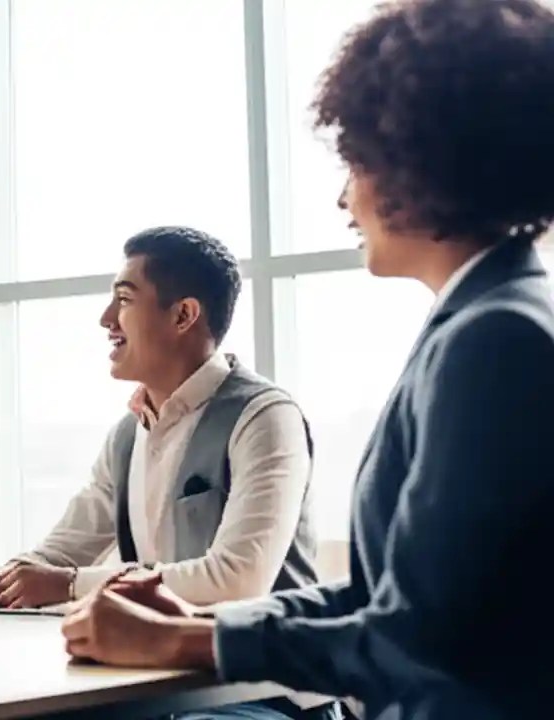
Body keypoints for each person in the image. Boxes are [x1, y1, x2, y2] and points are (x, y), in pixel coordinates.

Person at [60, 1, 554, 718]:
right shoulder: (486, 317)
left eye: (356, 160)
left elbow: (420, 639)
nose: (343, 197)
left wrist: (182, 646)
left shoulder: (495, 339)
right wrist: (193, 623)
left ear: (424, 156)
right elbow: (384, 597)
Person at [0, 227, 337, 716]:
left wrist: (68, 584)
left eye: (123, 299)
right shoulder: (128, 433)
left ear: (184, 314)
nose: (105, 319)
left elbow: (238, 578)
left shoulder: (265, 416)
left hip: (265, 694)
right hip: (158, 689)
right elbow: (61, 551)